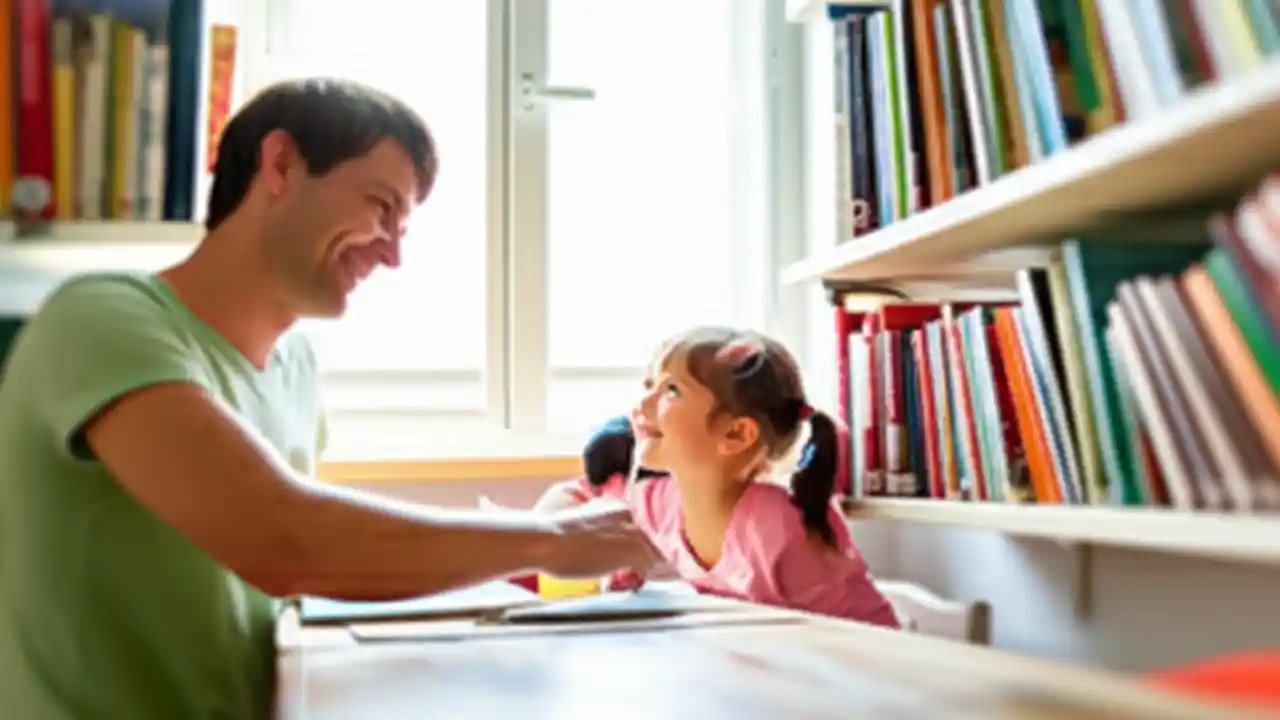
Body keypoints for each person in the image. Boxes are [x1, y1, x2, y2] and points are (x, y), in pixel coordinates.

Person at [0, 78, 659, 720]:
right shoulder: (100, 320)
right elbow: (286, 540)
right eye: (381, 206)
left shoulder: (295, 368)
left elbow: (303, 563)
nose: (394, 253)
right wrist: (549, 540)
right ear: (280, 164)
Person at [532, 326, 901, 628]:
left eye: (671, 391)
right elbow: (578, 503)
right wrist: (619, 567)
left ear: (736, 435)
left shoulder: (777, 528)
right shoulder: (656, 502)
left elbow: (867, 635)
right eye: (649, 386)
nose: (642, 406)